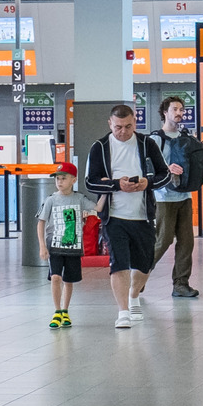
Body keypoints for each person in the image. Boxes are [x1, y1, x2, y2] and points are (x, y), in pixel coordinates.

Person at [85, 103, 172, 328]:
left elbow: (165, 175)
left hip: (142, 215)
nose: (123, 131)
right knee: (119, 263)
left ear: (135, 123)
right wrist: (116, 185)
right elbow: (89, 181)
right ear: (109, 124)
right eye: (118, 127)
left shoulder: (147, 144)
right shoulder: (99, 147)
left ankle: (134, 295)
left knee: (144, 264)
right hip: (113, 216)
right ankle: (122, 311)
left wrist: (147, 183)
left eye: (128, 126)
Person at [149, 96, 203, 299]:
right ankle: (138, 276)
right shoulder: (155, 139)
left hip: (184, 196)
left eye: (182, 109)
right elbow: (148, 167)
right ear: (165, 112)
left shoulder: (187, 137)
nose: (179, 113)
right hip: (164, 197)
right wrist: (166, 168)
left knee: (186, 242)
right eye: (175, 109)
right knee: (162, 241)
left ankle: (181, 284)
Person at [37, 161, 96, 329]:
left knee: (69, 280)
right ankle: (56, 310)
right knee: (55, 277)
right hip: (54, 245)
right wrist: (42, 246)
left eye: (63, 178)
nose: (59, 182)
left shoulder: (79, 199)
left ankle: (65, 310)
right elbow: (41, 222)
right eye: (57, 179)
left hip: (73, 247)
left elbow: (97, 207)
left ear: (73, 180)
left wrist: (106, 191)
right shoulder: (51, 200)